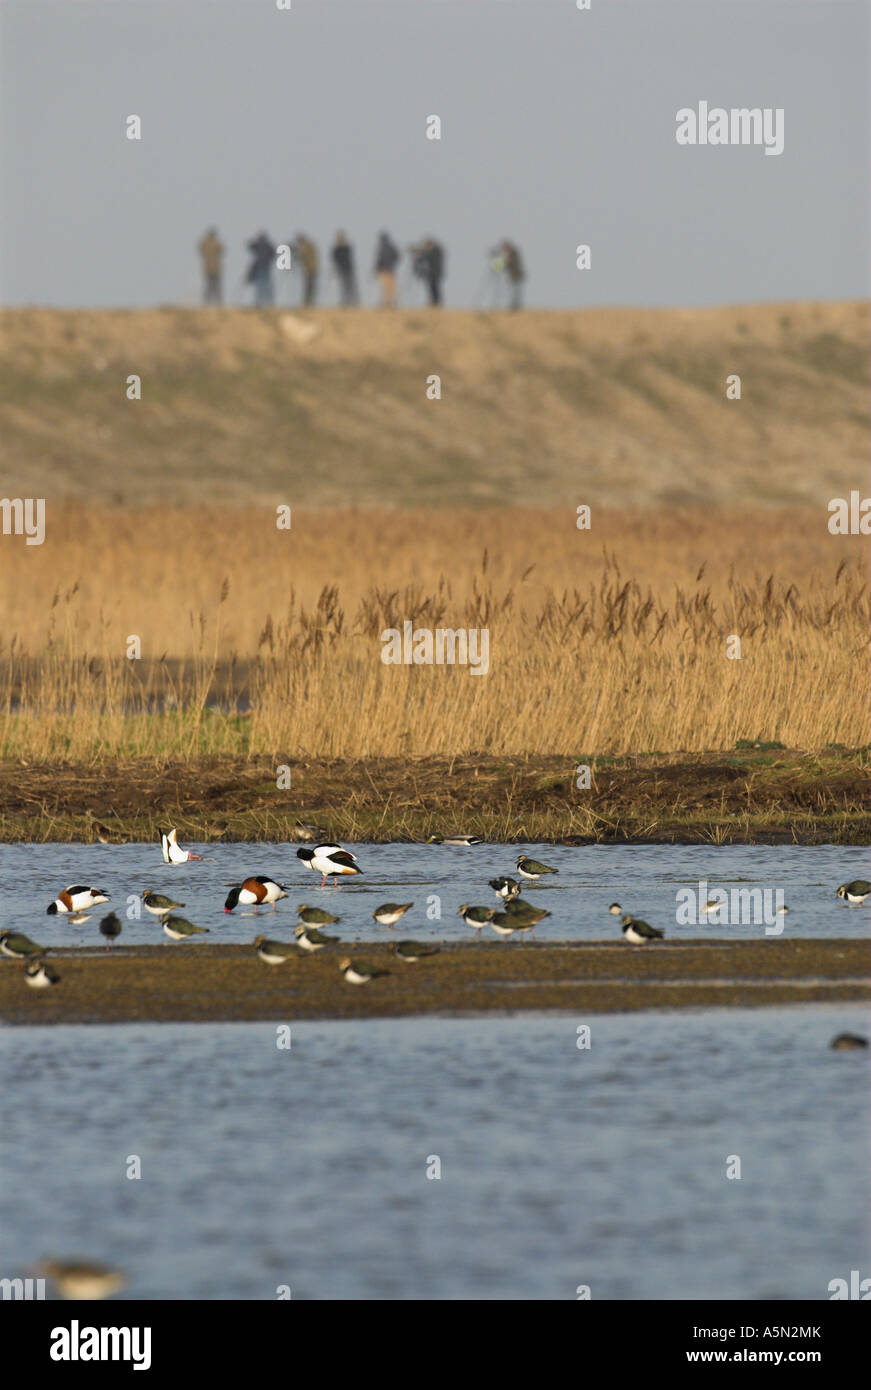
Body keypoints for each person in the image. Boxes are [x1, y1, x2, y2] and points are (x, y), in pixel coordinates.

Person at [246, 231, 277, 306]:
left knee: (261, 286)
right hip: (265, 268)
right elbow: (274, 254)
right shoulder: (268, 246)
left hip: (261, 268)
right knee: (265, 286)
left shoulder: (259, 246)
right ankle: (267, 301)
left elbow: (250, 246)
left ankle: (261, 301)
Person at [197, 228, 224, 305]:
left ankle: (207, 302)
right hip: (216, 268)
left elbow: (200, 249)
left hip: (207, 268)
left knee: (209, 286)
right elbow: (222, 250)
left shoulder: (204, 242)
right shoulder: (216, 242)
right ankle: (217, 302)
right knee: (216, 286)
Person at [374, 231, 400, 307]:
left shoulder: (382, 247)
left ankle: (388, 302)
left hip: (385, 270)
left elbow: (379, 260)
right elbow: (397, 256)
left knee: (386, 287)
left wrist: (377, 268)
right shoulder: (391, 246)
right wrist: (393, 264)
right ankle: (391, 302)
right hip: (390, 269)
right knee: (390, 287)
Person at [331, 231, 358, 306]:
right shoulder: (336, 249)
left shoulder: (347, 247)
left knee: (351, 286)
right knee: (343, 286)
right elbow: (334, 259)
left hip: (349, 269)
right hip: (341, 269)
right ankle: (345, 301)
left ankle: (353, 301)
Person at [294, 234, 319, 306]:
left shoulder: (307, 247)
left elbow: (303, 256)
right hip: (310, 269)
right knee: (309, 286)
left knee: (310, 287)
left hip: (310, 270)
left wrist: (300, 252)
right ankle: (308, 301)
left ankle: (308, 301)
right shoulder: (309, 246)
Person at [502, 239, 525, 310]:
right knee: (514, 292)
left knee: (515, 292)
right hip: (513, 277)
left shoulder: (512, 255)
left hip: (516, 276)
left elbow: (506, 263)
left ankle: (515, 306)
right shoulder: (512, 254)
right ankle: (514, 305)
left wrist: (496, 265)